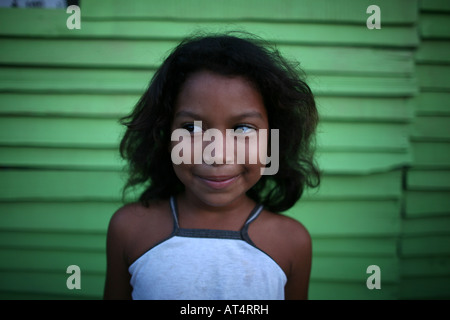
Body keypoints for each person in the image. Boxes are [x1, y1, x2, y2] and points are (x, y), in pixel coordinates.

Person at [103, 32, 320, 300]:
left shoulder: (292, 241)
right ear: (164, 135)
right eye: (192, 128)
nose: (216, 155)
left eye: (242, 128)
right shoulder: (129, 229)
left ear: (274, 139)